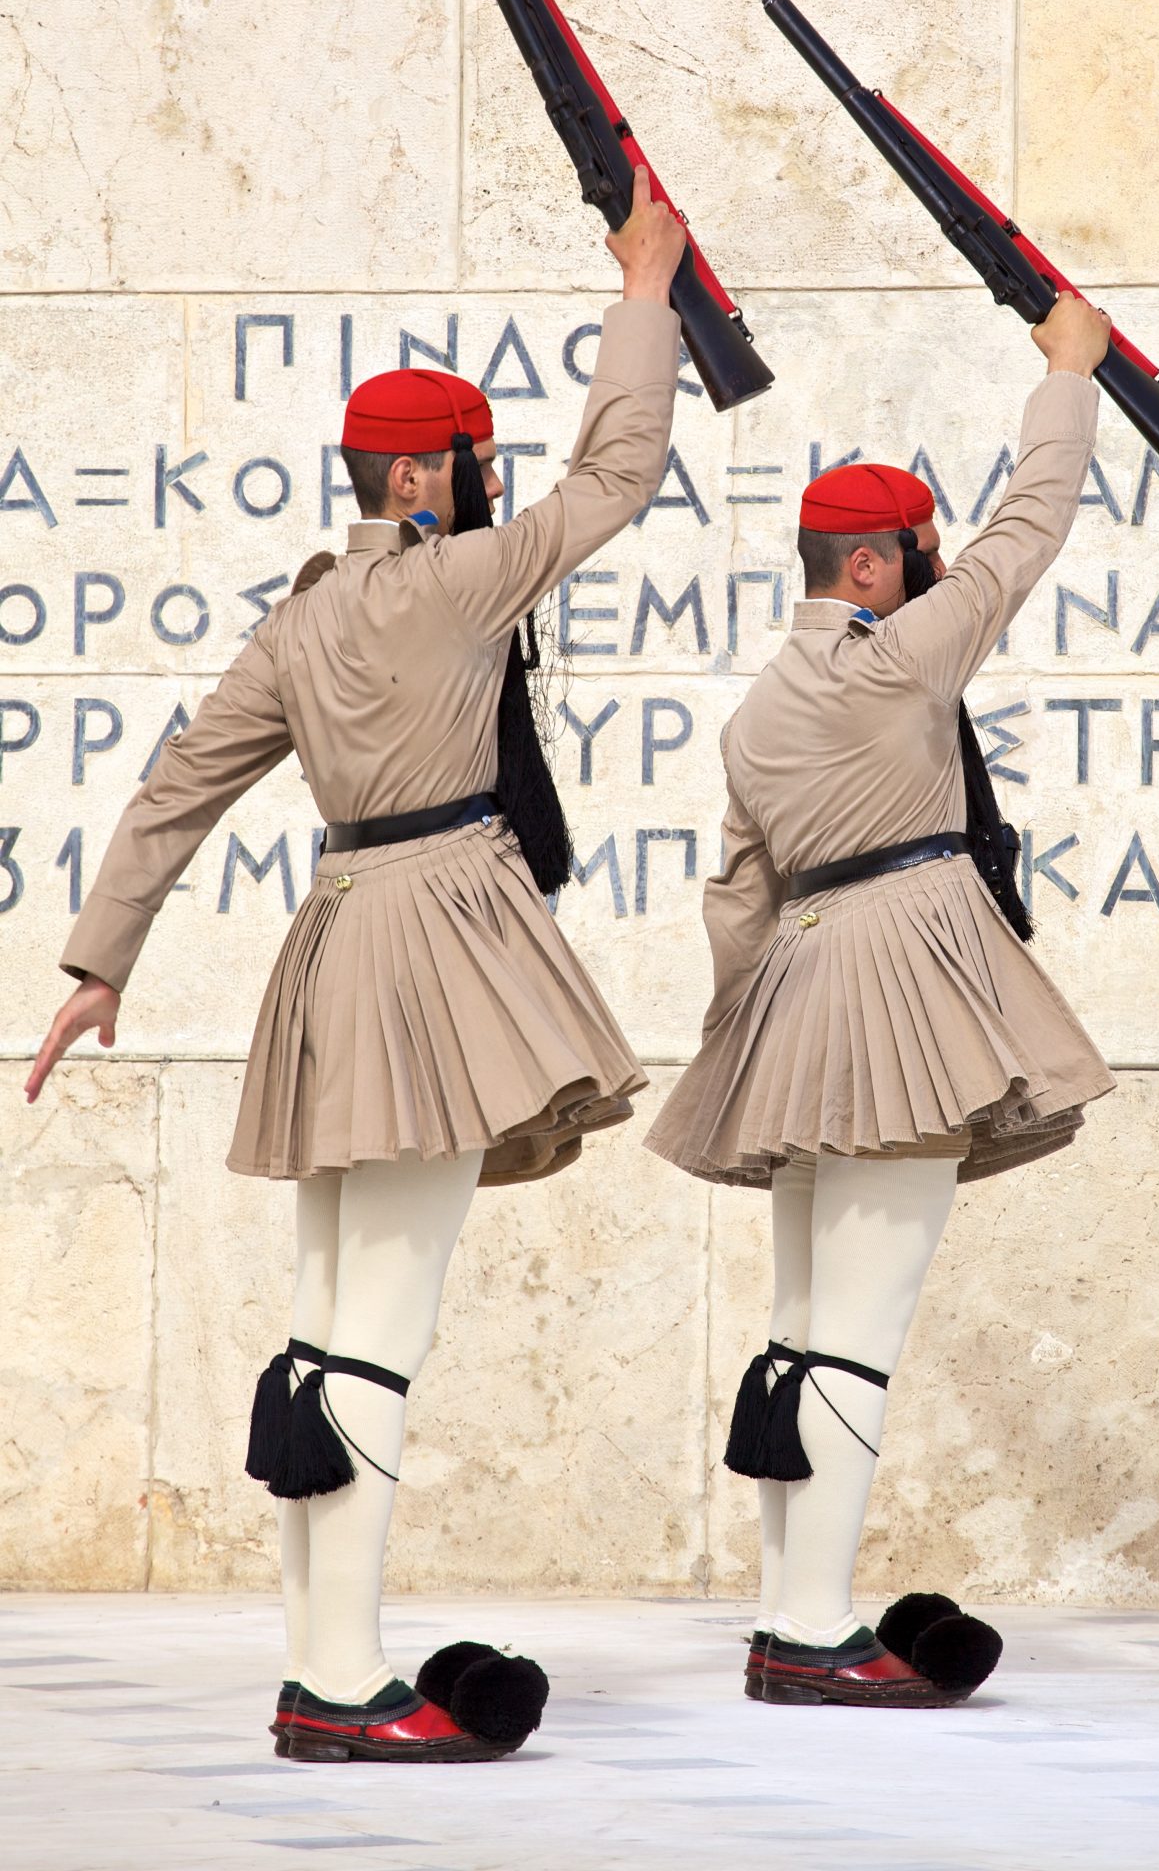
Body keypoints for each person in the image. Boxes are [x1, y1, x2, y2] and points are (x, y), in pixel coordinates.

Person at [25, 168, 686, 1762]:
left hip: (334, 948)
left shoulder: (298, 626)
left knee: (330, 1327)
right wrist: (644, 294)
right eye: (471, 464)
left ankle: (320, 1663)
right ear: (421, 476)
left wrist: (101, 961)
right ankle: (345, 1686)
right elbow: (618, 472)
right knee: (378, 1329)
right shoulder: (456, 580)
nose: (489, 485)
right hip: (434, 940)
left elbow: (177, 787)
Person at [645, 290, 1115, 1708]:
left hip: (793, 997)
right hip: (903, 988)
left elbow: (737, 900)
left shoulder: (757, 711)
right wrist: (1069, 373)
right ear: (869, 562)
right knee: (859, 1328)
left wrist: (748, 1044)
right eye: (919, 554)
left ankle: (786, 1609)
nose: (938, 572)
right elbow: (1029, 528)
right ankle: (812, 1635)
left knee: (801, 1326)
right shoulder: (900, 656)